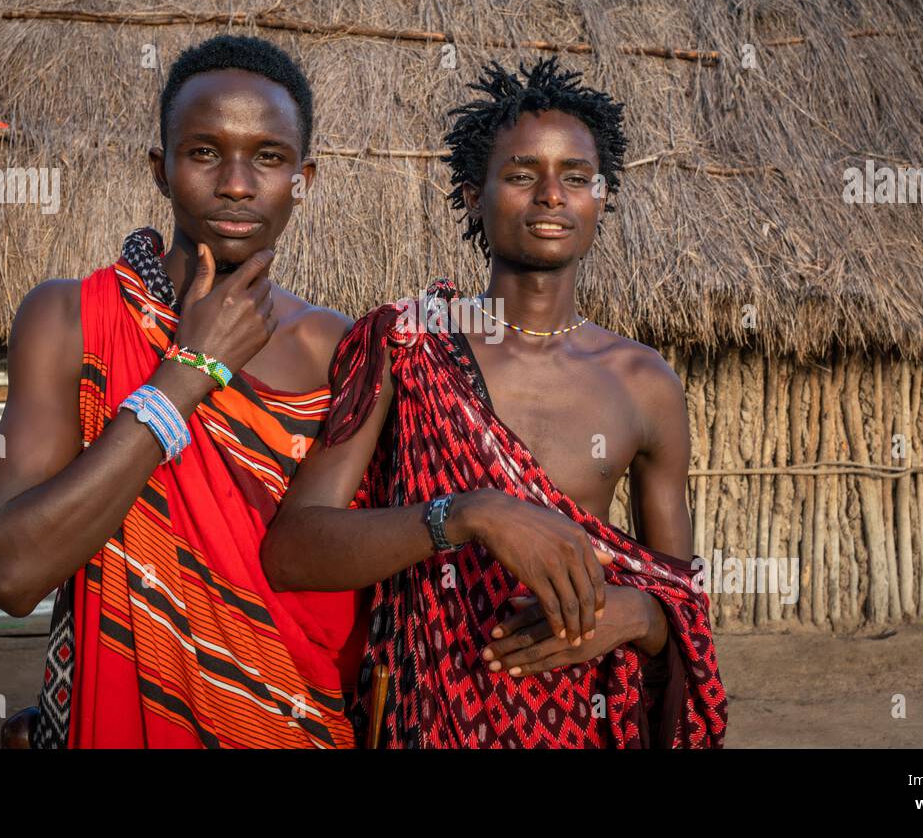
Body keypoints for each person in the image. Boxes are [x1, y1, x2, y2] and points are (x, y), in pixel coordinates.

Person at [262, 56, 728, 749]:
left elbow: (679, 604)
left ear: (603, 196)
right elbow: (294, 551)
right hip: (423, 720)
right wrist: (469, 514)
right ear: (472, 196)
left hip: (582, 726)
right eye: (520, 175)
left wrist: (634, 614)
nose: (550, 195)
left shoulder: (643, 382)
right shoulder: (406, 346)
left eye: (576, 177)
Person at [0, 35, 363, 748]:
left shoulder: (343, 353)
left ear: (304, 177)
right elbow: (10, 572)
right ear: (161, 170)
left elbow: (350, 593)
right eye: (205, 152)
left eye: (270, 158)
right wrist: (185, 375)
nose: (238, 183)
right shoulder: (71, 319)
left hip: (297, 725)